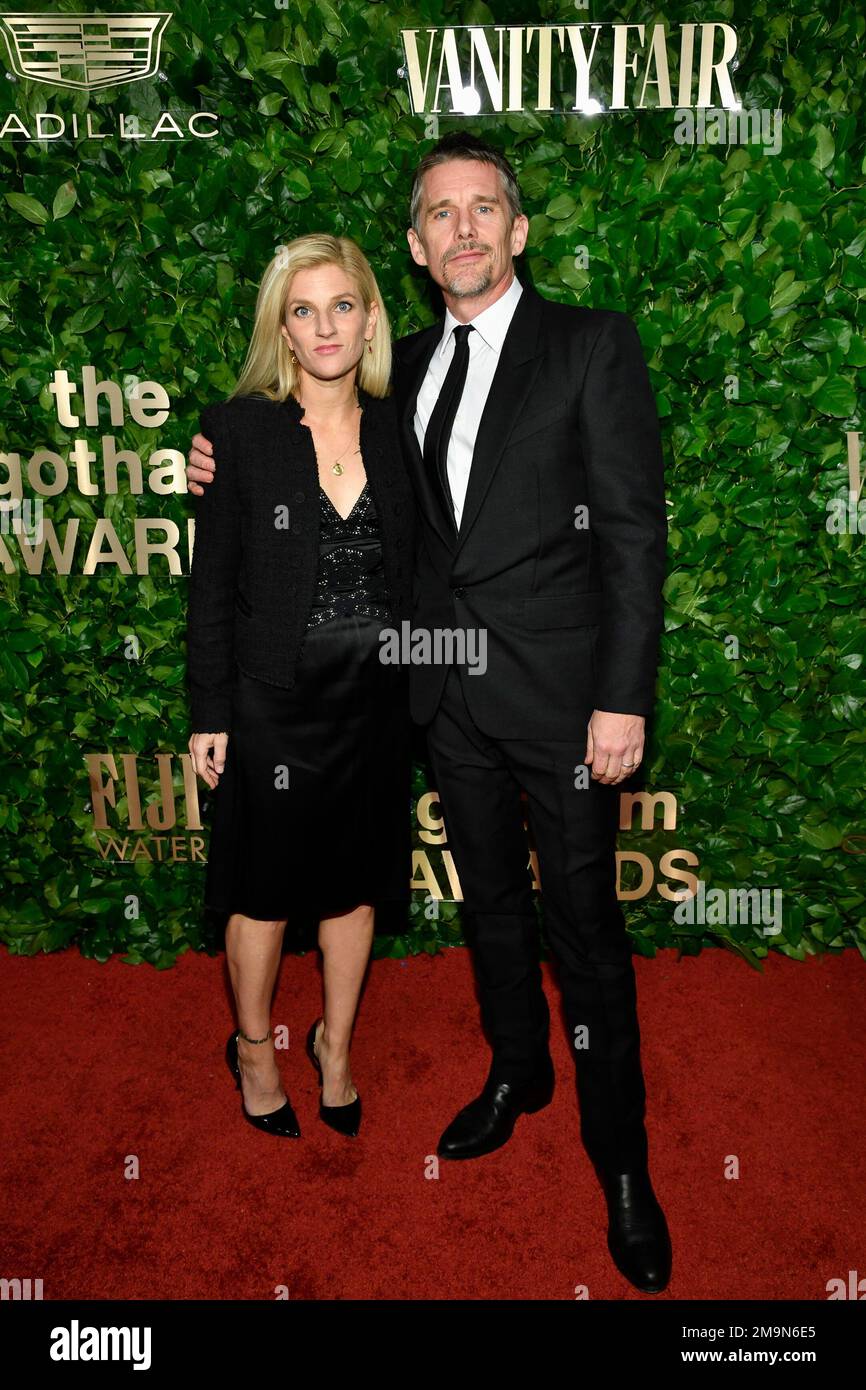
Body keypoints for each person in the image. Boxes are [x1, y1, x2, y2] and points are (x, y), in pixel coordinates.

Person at [187, 135, 671, 1294]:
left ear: (516, 230)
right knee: (490, 910)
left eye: (483, 208)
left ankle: (622, 1167)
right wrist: (201, 455)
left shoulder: (587, 344)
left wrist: (621, 697)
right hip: (437, 692)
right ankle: (517, 1071)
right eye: (438, 214)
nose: (461, 228)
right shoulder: (390, 366)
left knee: (587, 937)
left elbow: (632, 534)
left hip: (563, 705)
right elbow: (277, 444)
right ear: (413, 247)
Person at [186, 233, 416, 1141]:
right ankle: (252, 1047)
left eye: (344, 305)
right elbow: (211, 587)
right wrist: (211, 711)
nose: (326, 326)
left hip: (377, 700)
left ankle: (336, 1046)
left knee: (354, 887)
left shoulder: (405, 425)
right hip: (273, 699)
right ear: (282, 329)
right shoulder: (238, 431)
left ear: (369, 320)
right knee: (264, 889)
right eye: (304, 310)